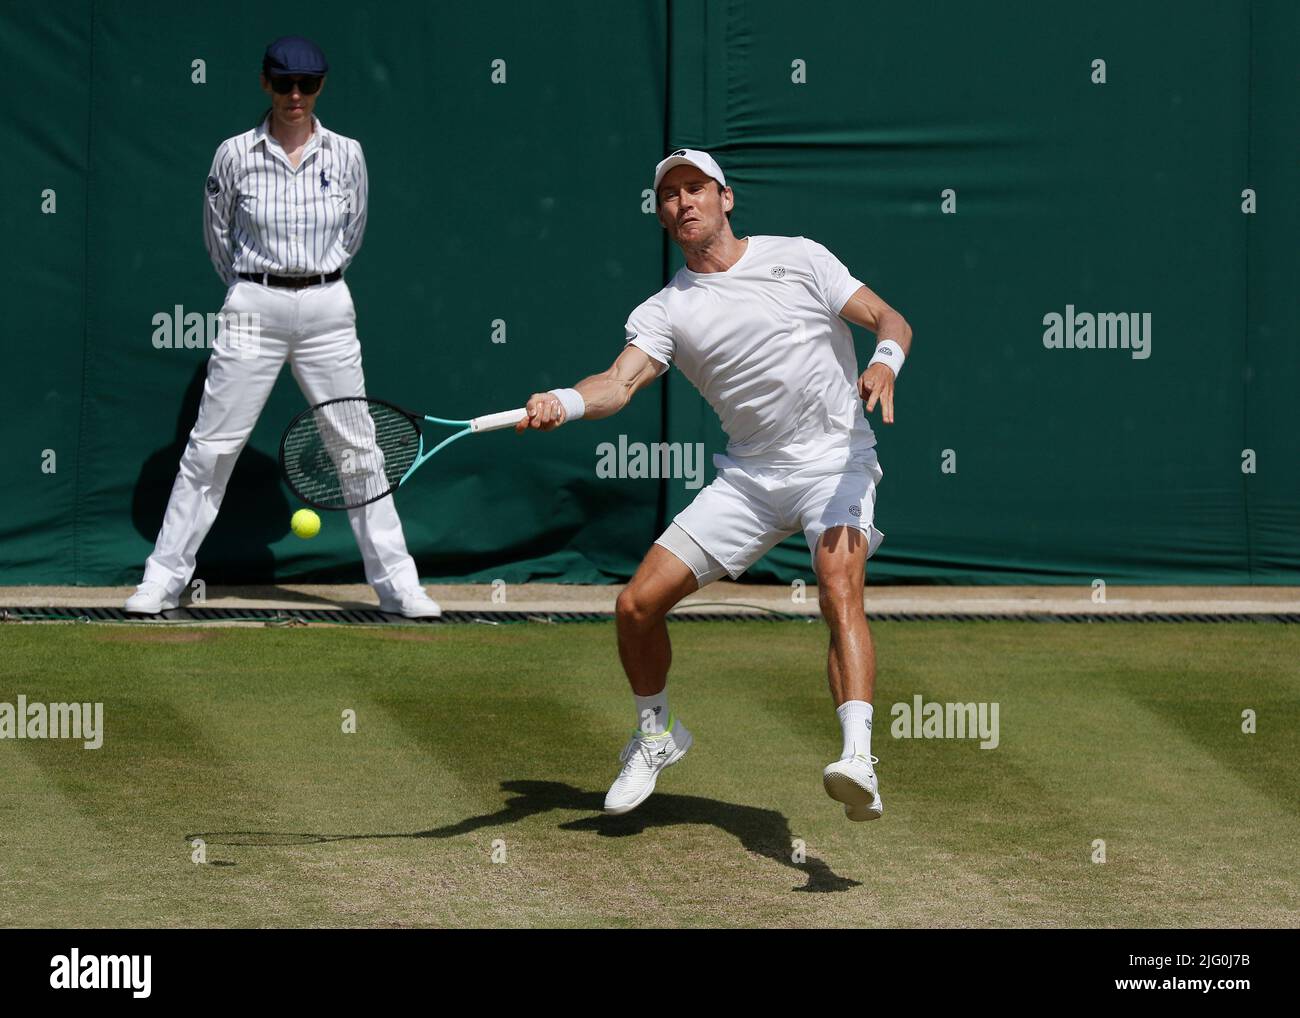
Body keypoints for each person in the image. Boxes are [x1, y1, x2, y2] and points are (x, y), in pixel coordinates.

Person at [517, 149, 912, 820]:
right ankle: (656, 734)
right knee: (635, 607)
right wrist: (563, 399)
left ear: (725, 198)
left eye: (695, 188)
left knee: (838, 577)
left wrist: (884, 364)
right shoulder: (667, 309)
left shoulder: (801, 257)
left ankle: (857, 758)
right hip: (752, 479)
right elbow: (618, 382)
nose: (683, 203)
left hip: (836, 462)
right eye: (669, 195)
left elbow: (889, 319)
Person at [126, 36, 441, 619]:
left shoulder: (348, 153)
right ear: (266, 83)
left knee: (357, 450)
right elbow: (218, 237)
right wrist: (256, 288)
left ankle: (401, 586)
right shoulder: (233, 154)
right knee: (212, 448)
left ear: (320, 86)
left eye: (308, 84)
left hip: (327, 309)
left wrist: (312, 284)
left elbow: (353, 234)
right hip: (252, 305)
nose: (295, 95)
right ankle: (162, 582)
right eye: (283, 83)